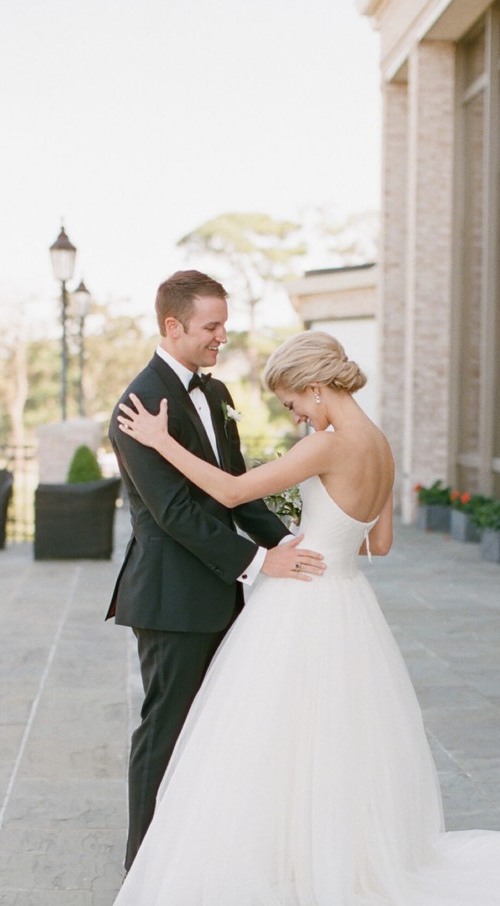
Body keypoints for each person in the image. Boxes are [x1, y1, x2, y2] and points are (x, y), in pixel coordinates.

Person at [111, 330, 500, 906]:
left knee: (276, 739)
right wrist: (326, 532)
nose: (299, 417)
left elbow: (232, 493)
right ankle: (330, 869)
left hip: (304, 603)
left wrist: (161, 442)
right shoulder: (379, 444)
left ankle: (289, 874)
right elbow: (378, 544)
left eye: (295, 404)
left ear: (316, 387)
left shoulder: (326, 444)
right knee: (333, 743)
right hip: (349, 601)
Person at [106, 269, 324, 871]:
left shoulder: (217, 392)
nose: (222, 337)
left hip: (224, 592)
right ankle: (143, 865)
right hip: (172, 598)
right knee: (165, 728)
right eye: (212, 326)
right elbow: (173, 512)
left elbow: (237, 488)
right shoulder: (136, 405)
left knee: (217, 726)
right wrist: (259, 561)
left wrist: (289, 543)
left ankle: (200, 853)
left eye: (224, 325)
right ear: (173, 326)